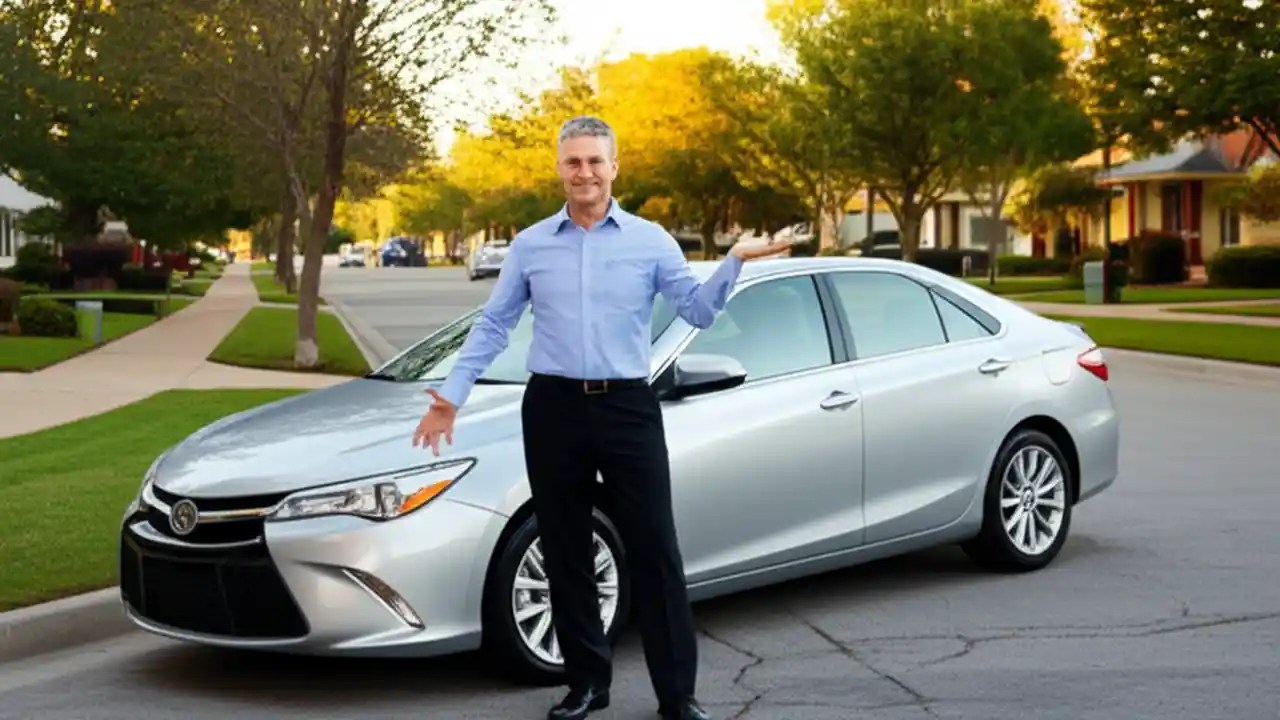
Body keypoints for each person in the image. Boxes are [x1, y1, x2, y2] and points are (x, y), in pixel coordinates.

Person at [412, 116, 791, 720]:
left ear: (615, 168)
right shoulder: (532, 245)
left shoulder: (651, 241)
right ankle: (588, 684)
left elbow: (695, 310)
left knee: (655, 549)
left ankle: (677, 695)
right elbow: (494, 324)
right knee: (565, 549)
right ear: (559, 168)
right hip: (553, 408)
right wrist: (452, 394)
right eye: (573, 162)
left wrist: (734, 262)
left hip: (627, 407)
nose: (584, 172)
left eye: (595, 161)